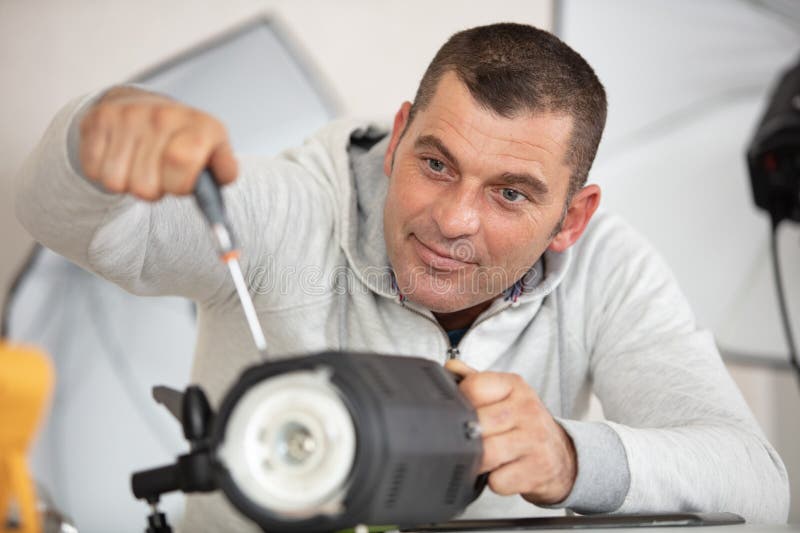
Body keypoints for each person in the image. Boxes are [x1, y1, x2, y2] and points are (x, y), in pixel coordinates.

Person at [15, 22, 789, 530]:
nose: (454, 219)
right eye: (434, 163)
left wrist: (570, 455)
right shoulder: (296, 209)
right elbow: (73, 223)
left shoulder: (610, 268)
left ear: (572, 217)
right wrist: (92, 140)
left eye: (510, 193)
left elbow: (757, 484)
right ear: (395, 143)